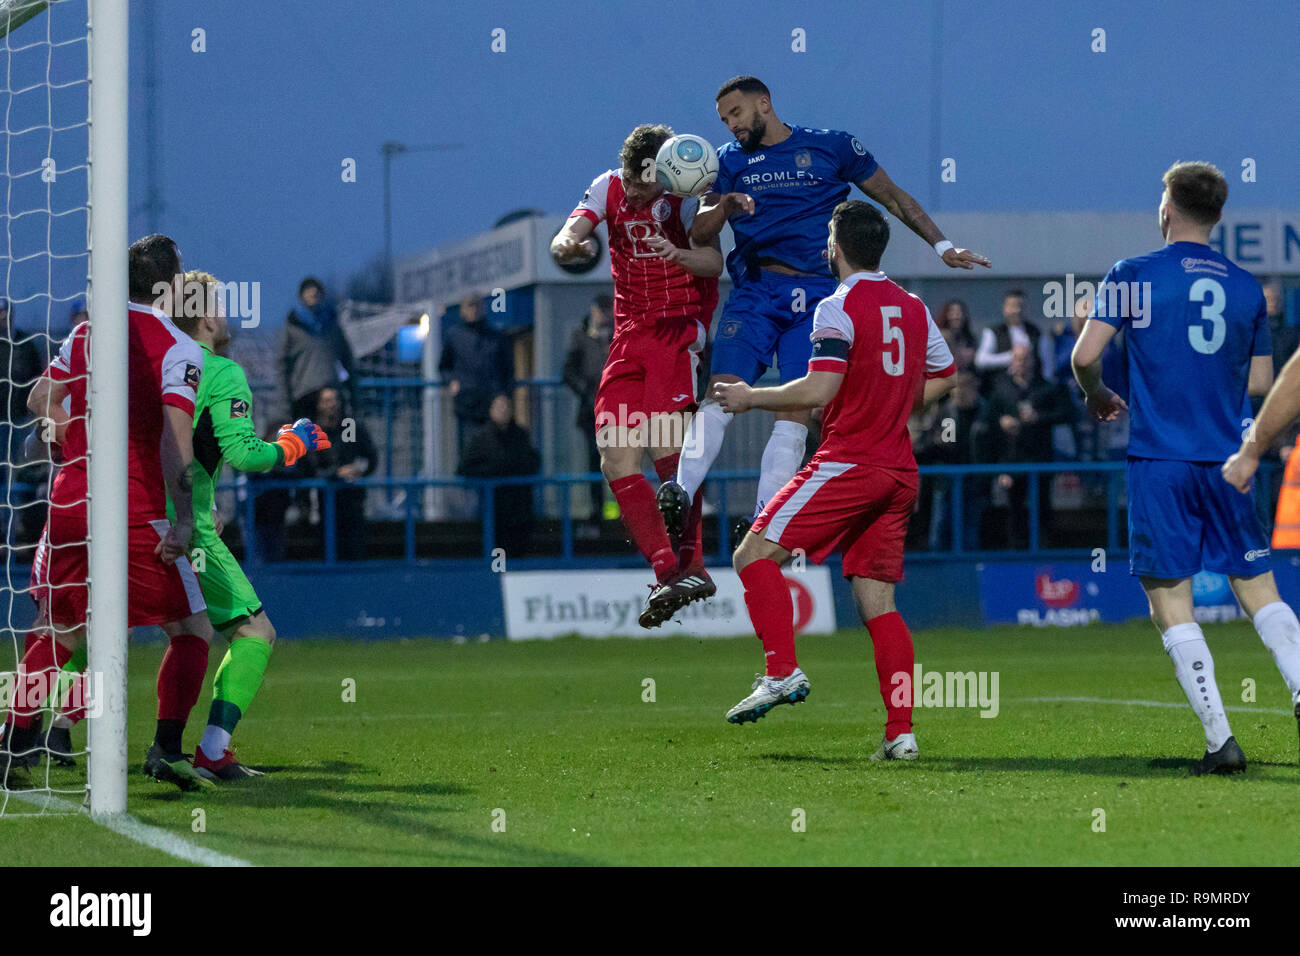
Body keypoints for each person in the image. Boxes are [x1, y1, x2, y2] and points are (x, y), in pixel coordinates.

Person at [657, 75, 987, 557]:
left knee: (795, 411)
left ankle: (765, 520)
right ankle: (680, 491)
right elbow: (701, 235)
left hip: (815, 295)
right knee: (722, 390)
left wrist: (942, 245)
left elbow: (892, 196)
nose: (730, 126)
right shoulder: (727, 163)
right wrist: (725, 203)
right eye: (723, 120)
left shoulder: (831, 146)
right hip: (756, 289)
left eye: (735, 114)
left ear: (763, 105)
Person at [1073, 161, 1294, 775]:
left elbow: (1085, 355)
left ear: (1167, 208)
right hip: (1229, 459)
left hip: (1161, 461)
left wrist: (1096, 393)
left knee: (1171, 600)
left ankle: (1221, 740)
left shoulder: (1133, 274)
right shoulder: (1248, 288)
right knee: (1259, 588)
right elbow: (1259, 383)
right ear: (1218, 216)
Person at [713, 201, 956, 758]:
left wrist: (751, 397)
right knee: (880, 606)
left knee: (751, 557)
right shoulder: (914, 306)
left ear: (835, 247)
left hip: (851, 463)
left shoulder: (836, 306)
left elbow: (819, 390)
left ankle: (782, 671)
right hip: (898, 472)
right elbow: (947, 374)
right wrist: (893, 403)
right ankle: (901, 735)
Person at [3, 234, 215, 792]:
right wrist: (187, 517)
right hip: (133, 507)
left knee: (58, 629)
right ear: (169, 286)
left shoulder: (83, 331)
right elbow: (175, 442)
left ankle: (11, 742)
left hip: (71, 501)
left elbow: (37, 400)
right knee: (192, 628)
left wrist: (67, 444)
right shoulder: (178, 348)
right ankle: (167, 749)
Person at [550, 123, 722, 626]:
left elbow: (714, 262)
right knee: (615, 454)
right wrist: (570, 249)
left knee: (668, 449)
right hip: (628, 337)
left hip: (676, 329)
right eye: (634, 181)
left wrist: (682, 254)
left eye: (649, 183)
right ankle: (669, 572)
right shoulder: (608, 187)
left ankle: (695, 564)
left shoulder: (687, 196)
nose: (640, 192)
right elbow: (567, 235)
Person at [168, 270, 331, 780]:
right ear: (208, 316)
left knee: (73, 627)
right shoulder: (219, 371)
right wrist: (292, 444)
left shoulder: (156, 365)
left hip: (128, 516)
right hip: (183, 528)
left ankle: (41, 731)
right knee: (255, 631)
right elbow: (241, 452)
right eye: (220, 305)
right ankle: (212, 750)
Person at [979, 346, 1075, 548]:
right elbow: (986, 419)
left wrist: (1039, 418)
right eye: (1017, 359)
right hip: (1012, 460)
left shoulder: (1047, 388)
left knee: (1042, 505)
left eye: (1025, 359)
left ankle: (1045, 551)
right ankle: (1016, 552)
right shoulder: (1002, 390)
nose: (1021, 363)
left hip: (1040, 458)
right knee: (1014, 507)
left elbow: (1067, 412)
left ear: (1033, 361)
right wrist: (1001, 422)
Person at [456, 393, 541, 558]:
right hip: (494, 509)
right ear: (491, 410)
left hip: (519, 510)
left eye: (506, 407)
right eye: (499, 407)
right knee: (497, 555)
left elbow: (533, 462)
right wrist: (493, 471)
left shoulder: (520, 436)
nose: (503, 411)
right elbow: (464, 468)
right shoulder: (481, 439)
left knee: (519, 553)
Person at [307, 386, 376, 560]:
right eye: (327, 401)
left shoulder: (348, 426)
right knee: (328, 546)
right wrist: (336, 473)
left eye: (334, 400)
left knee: (353, 546)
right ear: (319, 405)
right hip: (327, 500)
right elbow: (312, 467)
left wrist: (359, 469)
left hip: (352, 499)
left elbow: (364, 454)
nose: (332, 405)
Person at [438, 293, 513, 454]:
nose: (474, 310)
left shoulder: (496, 337)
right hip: (467, 402)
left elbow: (508, 370)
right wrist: (451, 381)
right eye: (469, 306)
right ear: (462, 310)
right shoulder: (454, 336)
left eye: (477, 306)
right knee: (469, 449)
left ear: (484, 308)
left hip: (492, 404)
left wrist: (504, 395)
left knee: (495, 450)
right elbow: (444, 367)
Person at [562, 294, 614, 521]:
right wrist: (585, 389)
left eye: (607, 310)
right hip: (592, 410)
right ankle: (598, 510)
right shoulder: (580, 337)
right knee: (595, 460)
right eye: (601, 310)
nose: (604, 315)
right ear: (593, 311)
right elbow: (567, 371)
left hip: (618, 410)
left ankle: (620, 511)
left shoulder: (620, 334)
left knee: (620, 461)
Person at [280, 277, 356, 423]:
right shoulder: (293, 328)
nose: (312, 298)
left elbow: (347, 359)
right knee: (307, 441)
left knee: (341, 439)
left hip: (332, 391)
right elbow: (283, 365)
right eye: (308, 295)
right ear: (301, 297)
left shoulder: (333, 326)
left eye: (315, 295)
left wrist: (353, 395)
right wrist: (286, 401)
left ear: (321, 296)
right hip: (304, 394)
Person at [975, 289, 1052, 389]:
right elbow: (981, 360)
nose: (1017, 310)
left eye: (1021, 306)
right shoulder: (993, 332)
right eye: (1013, 306)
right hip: (999, 388)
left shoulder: (1036, 332)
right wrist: (1011, 357)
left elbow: (1047, 364)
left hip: (1032, 388)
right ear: (1004, 308)